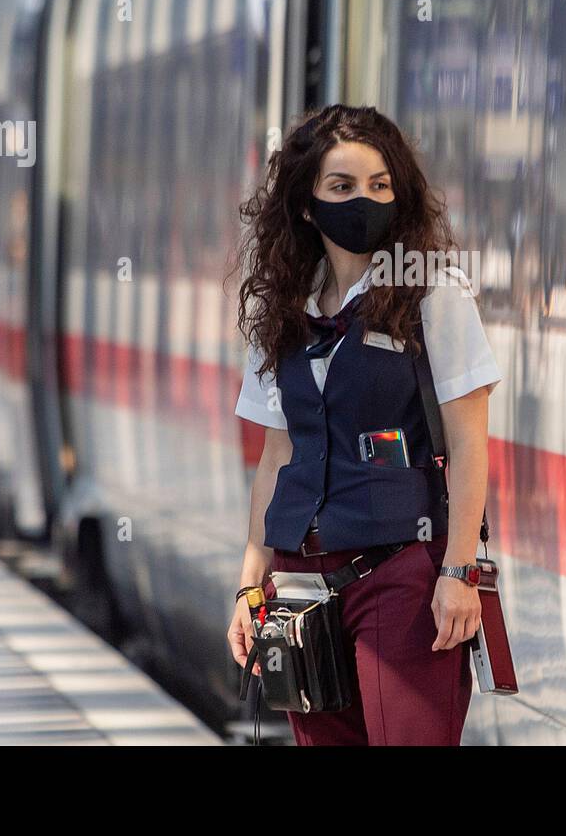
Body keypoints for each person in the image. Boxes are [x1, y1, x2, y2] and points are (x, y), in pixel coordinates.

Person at [226, 104, 501, 746]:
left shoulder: (434, 292)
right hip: (300, 583)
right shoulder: (282, 309)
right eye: (342, 187)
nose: (364, 201)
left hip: (402, 572)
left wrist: (459, 573)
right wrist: (248, 583)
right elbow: (277, 456)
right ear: (306, 205)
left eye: (379, 185)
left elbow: (468, 442)